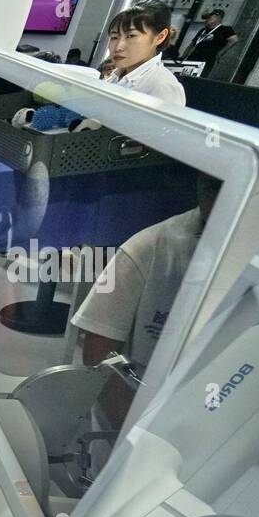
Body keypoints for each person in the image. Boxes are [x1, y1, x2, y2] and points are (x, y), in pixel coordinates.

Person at [71, 174, 220, 428]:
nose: (219, 201)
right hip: (133, 421)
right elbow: (98, 354)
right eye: (211, 188)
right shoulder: (148, 248)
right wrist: (133, 437)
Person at [102, 0, 185, 106]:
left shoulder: (164, 87)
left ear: (160, 37)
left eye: (131, 36)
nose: (118, 47)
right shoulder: (115, 75)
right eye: (114, 37)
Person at [178, 9, 238, 74]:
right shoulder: (203, 30)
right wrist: (183, 57)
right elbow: (192, 44)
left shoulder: (224, 29)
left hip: (206, 62)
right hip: (193, 59)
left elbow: (234, 40)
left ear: (218, 18)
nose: (206, 20)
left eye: (209, 18)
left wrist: (221, 53)